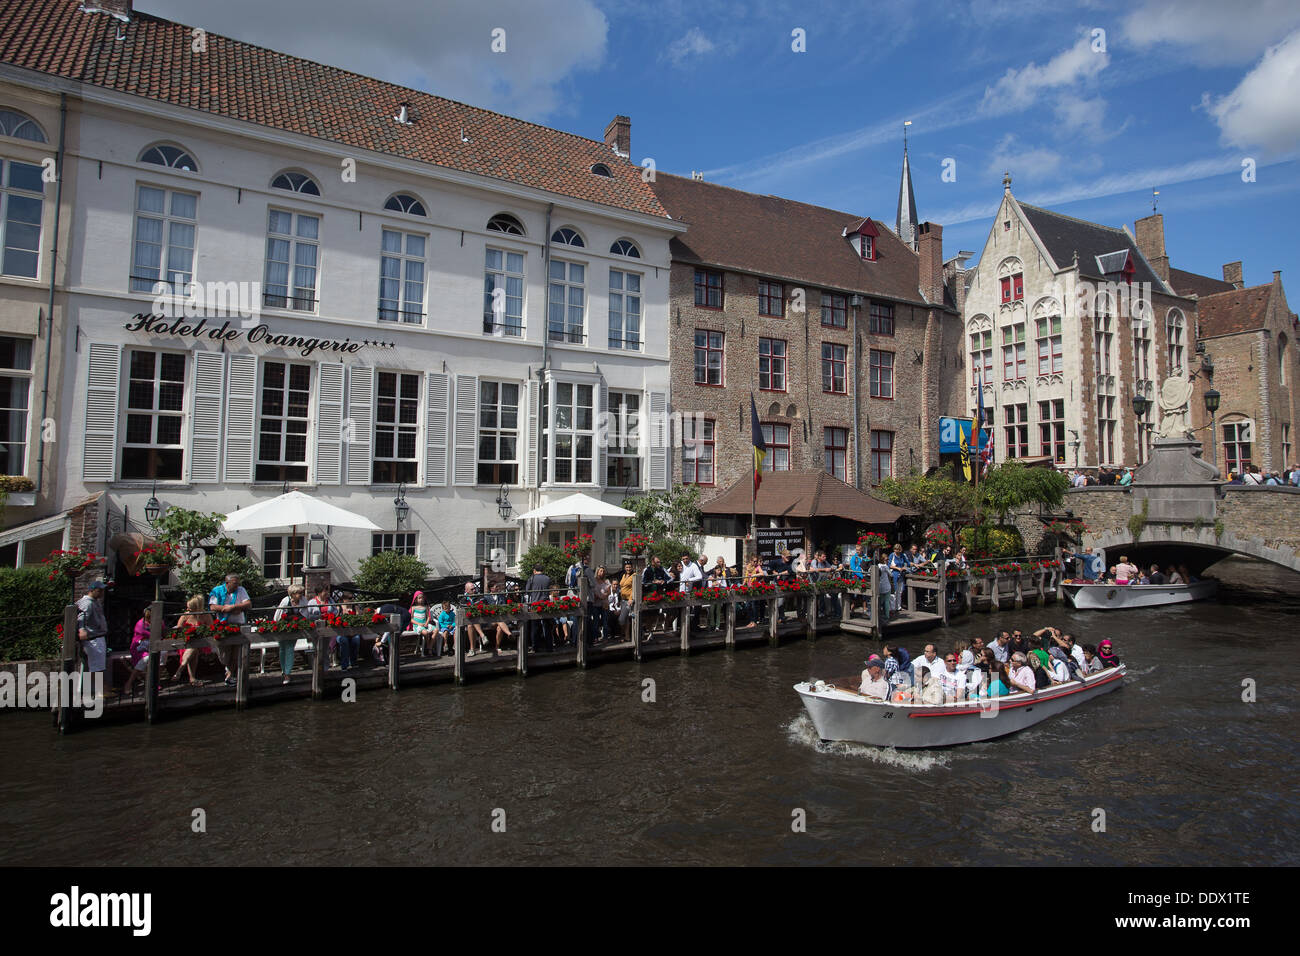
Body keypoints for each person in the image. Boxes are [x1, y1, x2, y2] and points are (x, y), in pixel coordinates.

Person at [209, 573, 251, 686]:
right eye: (234, 583)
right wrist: (226, 609)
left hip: (238, 624)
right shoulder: (217, 590)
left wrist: (234, 607)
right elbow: (212, 606)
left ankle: (230, 675)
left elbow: (247, 603)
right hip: (223, 624)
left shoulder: (241, 590)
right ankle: (228, 670)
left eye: (238, 583)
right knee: (224, 653)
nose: (237, 586)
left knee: (236, 652)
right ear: (227, 583)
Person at [75, 580, 109, 694]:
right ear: (92, 590)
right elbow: (81, 617)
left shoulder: (94, 601)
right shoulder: (87, 603)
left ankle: (91, 689)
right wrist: (82, 630)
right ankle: (100, 691)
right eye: (99, 590)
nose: (102, 593)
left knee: (96, 664)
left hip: (97, 636)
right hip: (93, 638)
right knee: (97, 665)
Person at [173, 594, 214, 686]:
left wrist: (202, 631)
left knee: (194, 647)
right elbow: (178, 628)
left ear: (197, 608)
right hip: (187, 642)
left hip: (203, 642)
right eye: (187, 608)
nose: (188, 610)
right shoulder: (185, 616)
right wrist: (187, 633)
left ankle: (181, 668)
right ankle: (192, 678)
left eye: (190, 608)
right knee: (193, 649)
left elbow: (211, 628)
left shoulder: (205, 615)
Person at [273, 584, 307, 684]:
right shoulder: (286, 601)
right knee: (282, 648)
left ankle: (288, 673)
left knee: (289, 648)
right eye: (298, 593)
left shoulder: (303, 600)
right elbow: (278, 615)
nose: (300, 595)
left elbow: (305, 612)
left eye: (301, 593)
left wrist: (298, 619)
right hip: (283, 627)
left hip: (294, 628)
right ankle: (284, 670)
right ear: (292, 594)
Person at [122, 607, 152, 697]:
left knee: (162, 654)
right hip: (139, 648)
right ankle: (129, 683)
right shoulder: (140, 624)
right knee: (146, 659)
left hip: (152, 646)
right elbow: (152, 635)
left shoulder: (158, 622)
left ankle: (153, 682)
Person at [525, 563, 554, 652]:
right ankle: (549, 647)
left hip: (535, 604)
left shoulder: (532, 578)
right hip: (545, 603)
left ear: (534, 570)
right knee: (547, 626)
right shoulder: (547, 578)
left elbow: (527, 590)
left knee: (535, 627)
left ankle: (535, 647)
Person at [615, 560, 638, 640]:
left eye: (629, 567)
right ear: (625, 568)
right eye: (627, 567)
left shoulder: (634, 575)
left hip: (628, 600)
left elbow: (633, 588)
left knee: (621, 620)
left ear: (632, 567)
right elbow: (621, 587)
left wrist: (631, 599)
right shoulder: (624, 575)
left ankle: (625, 635)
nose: (628, 568)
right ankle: (626, 636)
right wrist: (618, 599)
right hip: (622, 600)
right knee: (626, 620)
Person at [409, 590, 435, 656]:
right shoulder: (413, 608)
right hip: (417, 626)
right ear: (415, 599)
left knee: (436, 630)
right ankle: (429, 647)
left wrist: (426, 622)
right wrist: (418, 623)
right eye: (419, 598)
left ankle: (430, 647)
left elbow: (428, 617)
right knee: (425, 632)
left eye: (422, 598)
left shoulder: (425, 607)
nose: (421, 599)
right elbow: (411, 619)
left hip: (425, 624)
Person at [590, 566, 612, 643]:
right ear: (597, 572)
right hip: (596, 603)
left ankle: (605, 637)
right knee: (596, 621)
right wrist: (599, 596)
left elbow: (609, 591)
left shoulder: (606, 581)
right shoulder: (594, 581)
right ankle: (595, 637)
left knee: (605, 621)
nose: (602, 572)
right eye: (600, 571)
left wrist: (603, 596)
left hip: (604, 603)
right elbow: (592, 591)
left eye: (603, 571)